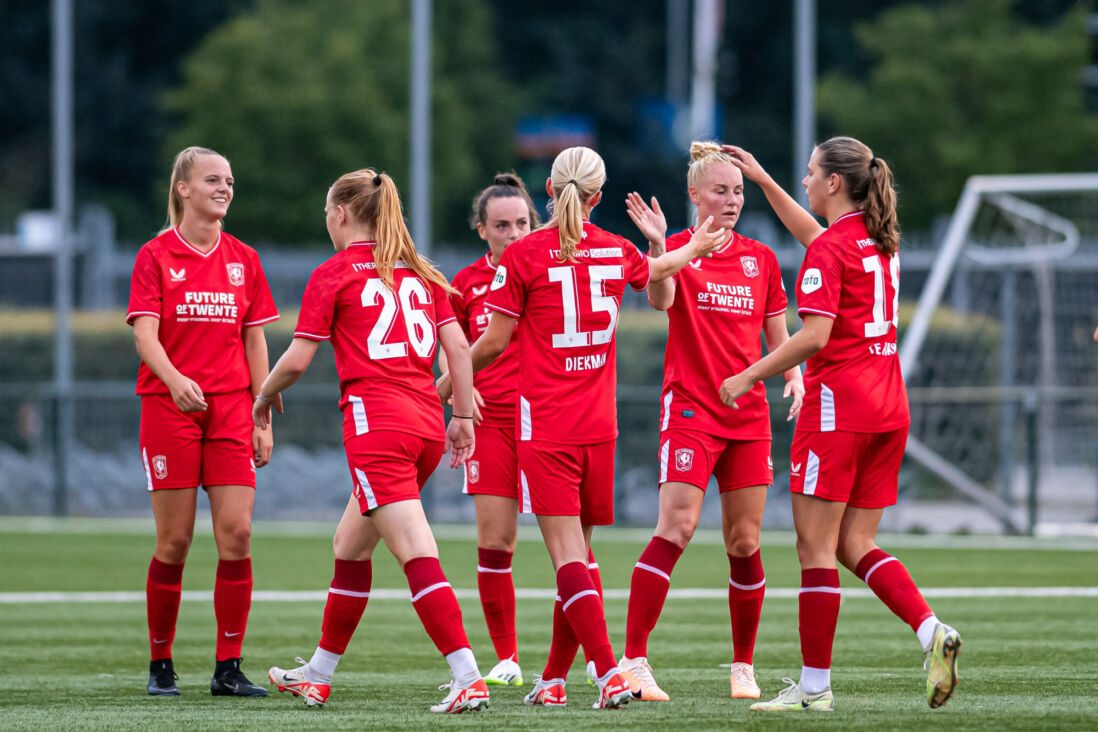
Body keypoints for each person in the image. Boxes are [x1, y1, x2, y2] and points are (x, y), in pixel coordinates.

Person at [438, 146, 728, 710]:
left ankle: (607, 672)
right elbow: (659, 276)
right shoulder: (617, 249)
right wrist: (687, 245)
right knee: (581, 559)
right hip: (600, 426)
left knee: (569, 559)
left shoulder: (524, 255)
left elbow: (493, 343)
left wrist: (447, 387)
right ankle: (552, 678)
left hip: (546, 425)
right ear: (598, 196)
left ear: (548, 189)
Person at [717, 137, 962, 712]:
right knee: (855, 543)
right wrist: (764, 180)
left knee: (815, 548)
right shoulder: (880, 239)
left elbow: (815, 336)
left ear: (833, 182)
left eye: (809, 173)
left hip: (838, 410)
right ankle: (932, 632)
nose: (804, 181)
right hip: (889, 406)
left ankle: (814, 688)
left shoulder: (831, 248)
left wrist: (749, 375)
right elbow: (818, 235)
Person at [257, 169, 489, 714]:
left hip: (377, 427)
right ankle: (317, 675)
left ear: (341, 213)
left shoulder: (334, 272)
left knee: (416, 550)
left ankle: (467, 675)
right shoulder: (421, 270)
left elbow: (296, 361)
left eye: (327, 213)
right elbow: (459, 349)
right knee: (350, 546)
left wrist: (262, 397)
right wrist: (461, 417)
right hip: (424, 425)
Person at [616, 142, 804, 702]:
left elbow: (777, 336)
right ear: (695, 195)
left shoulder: (760, 259)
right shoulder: (677, 247)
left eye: (738, 191)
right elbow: (660, 298)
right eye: (721, 191)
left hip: (748, 417)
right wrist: (659, 246)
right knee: (676, 527)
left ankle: (743, 666)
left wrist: (794, 376)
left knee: (745, 542)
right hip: (691, 411)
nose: (732, 200)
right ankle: (633, 660)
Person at [446, 173, 609, 689]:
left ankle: (591, 657)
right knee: (496, 539)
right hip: (493, 420)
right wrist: (461, 389)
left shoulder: (550, 261)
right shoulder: (465, 283)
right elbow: (455, 345)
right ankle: (508, 658)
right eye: (501, 225)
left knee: (573, 545)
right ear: (481, 230)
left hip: (549, 416)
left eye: (521, 223)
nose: (513, 233)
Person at [128, 146, 279, 698]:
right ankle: (161, 663)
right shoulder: (155, 255)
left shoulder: (244, 258)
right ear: (183, 188)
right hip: (169, 406)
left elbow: (254, 338)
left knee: (237, 533)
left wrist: (263, 412)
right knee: (175, 541)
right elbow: (145, 335)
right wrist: (174, 380)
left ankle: (227, 668)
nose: (224, 188)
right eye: (213, 179)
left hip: (234, 410)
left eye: (229, 181)